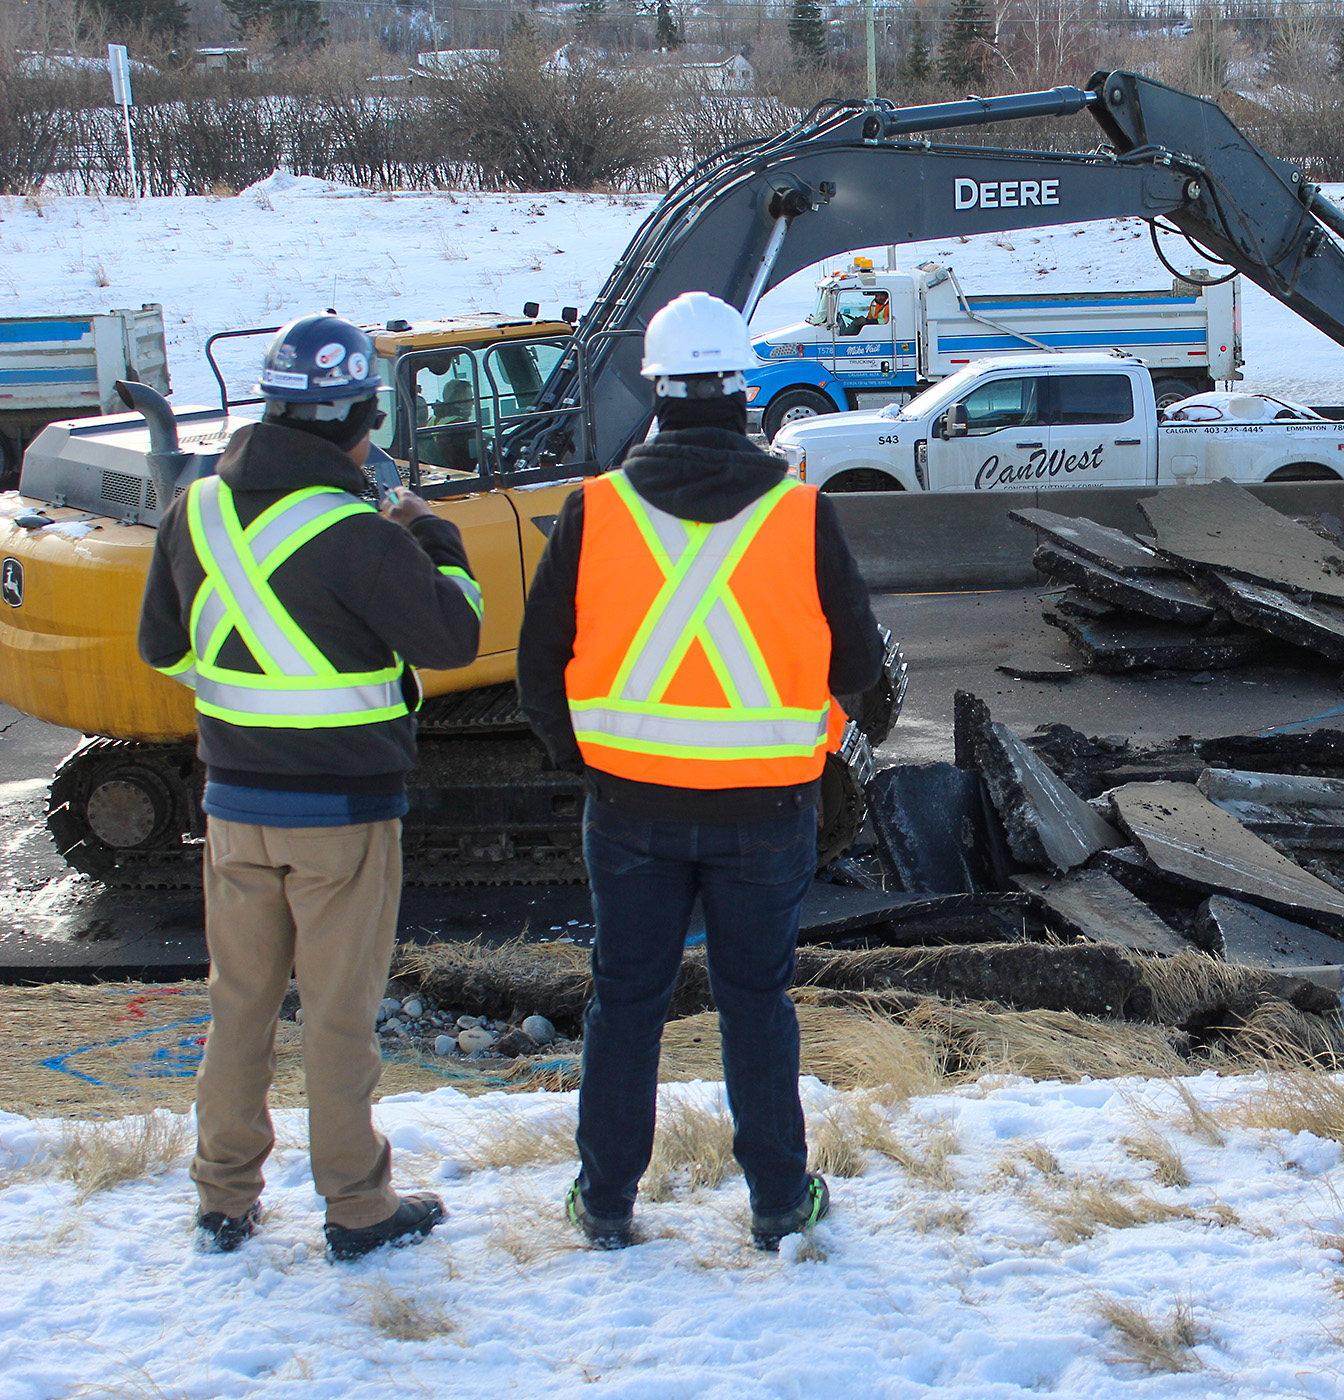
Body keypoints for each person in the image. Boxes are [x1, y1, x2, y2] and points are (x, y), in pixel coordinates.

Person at [516, 291, 883, 1252]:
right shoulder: (803, 514)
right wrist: (818, 739)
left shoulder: (592, 512)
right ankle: (774, 1204)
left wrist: (584, 762)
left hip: (630, 810)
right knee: (754, 1000)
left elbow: (536, 665)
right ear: (743, 385)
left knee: (625, 999)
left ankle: (603, 1201)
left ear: (656, 392)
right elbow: (862, 665)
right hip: (767, 811)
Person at [137, 313, 485, 1262]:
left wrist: (251, 713)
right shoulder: (361, 534)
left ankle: (223, 1197)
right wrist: (433, 534)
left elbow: (163, 648)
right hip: (345, 817)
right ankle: (358, 1209)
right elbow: (454, 637)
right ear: (364, 419)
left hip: (233, 812)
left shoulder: (193, 511)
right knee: (336, 1019)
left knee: (239, 1004)